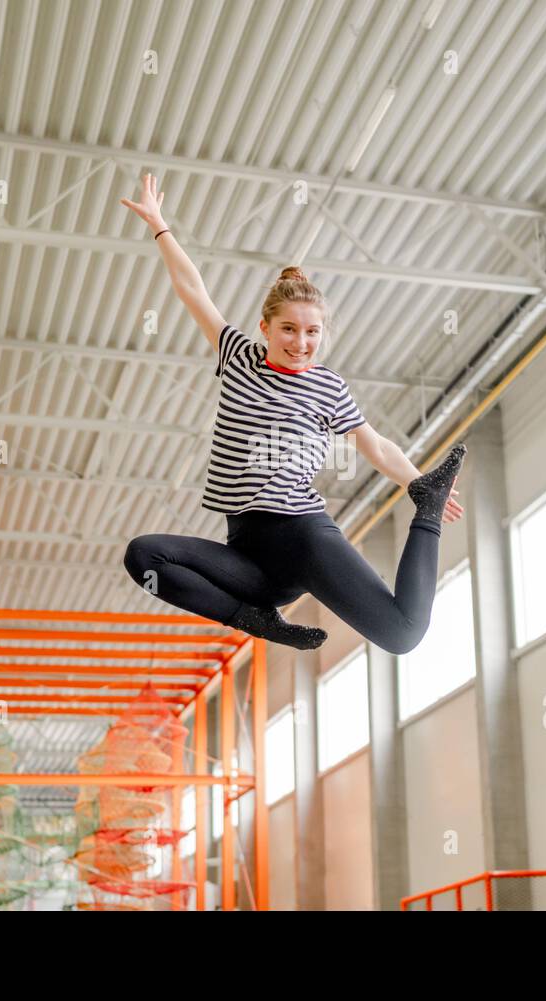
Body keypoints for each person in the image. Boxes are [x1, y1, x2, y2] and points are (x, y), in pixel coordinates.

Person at [119, 173, 466, 653]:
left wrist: (415, 483)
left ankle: (426, 513)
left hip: (303, 536)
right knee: (145, 556)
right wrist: (161, 227)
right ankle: (256, 621)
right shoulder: (238, 356)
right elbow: (192, 290)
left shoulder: (328, 387)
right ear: (264, 327)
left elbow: (374, 444)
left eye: (312, 333)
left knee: (402, 634)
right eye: (288, 329)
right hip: (251, 558)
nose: (301, 343)